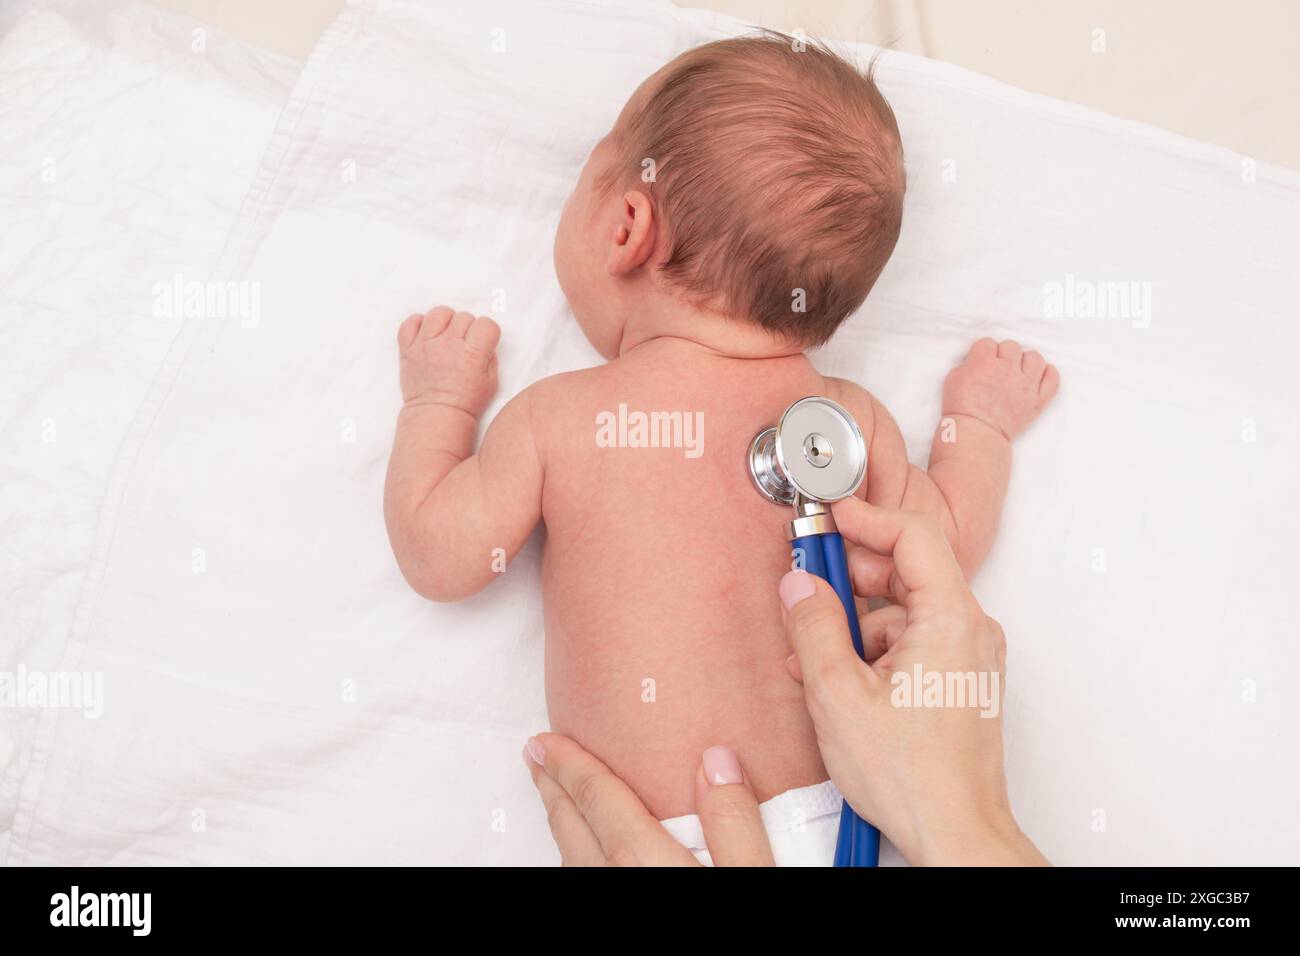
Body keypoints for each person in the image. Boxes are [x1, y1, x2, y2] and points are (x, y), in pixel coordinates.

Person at [525, 497, 1048, 866]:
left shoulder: (557, 413)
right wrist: (980, 426)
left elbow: (449, 557)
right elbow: (943, 546)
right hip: (873, 823)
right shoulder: (848, 419)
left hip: (670, 837)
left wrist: (446, 403)